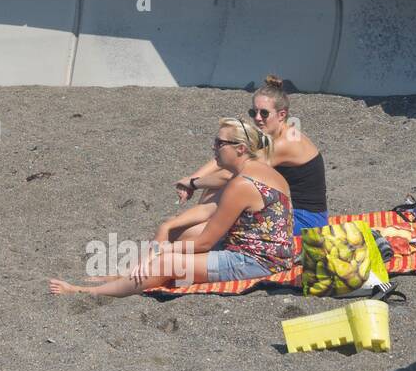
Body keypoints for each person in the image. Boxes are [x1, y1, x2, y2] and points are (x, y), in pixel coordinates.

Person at [48, 118, 294, 297]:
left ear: (240, 149)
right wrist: (170, 226)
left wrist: (161, 251)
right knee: (181, 234)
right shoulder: (258, 173)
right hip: (268, 252)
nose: (213, 147)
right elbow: (210, 211)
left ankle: (88, 292)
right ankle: (130, 276)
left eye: (220, 143)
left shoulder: (242, 184)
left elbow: (206, 243)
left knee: (168, 262)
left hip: (258, 261)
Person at [169, 74, 327, 233]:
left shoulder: (286, 143)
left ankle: (200, 232)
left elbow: (233, 175)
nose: (257, 118)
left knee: (230, 187)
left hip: (305, 221)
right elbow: (226, 154)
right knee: (214, 189)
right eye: (254, 112)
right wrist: (192, 178)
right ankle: (197, 226)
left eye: (264, 113)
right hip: (284, 208)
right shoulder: (271, 133)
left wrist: (193, 184)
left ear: (282, 115)